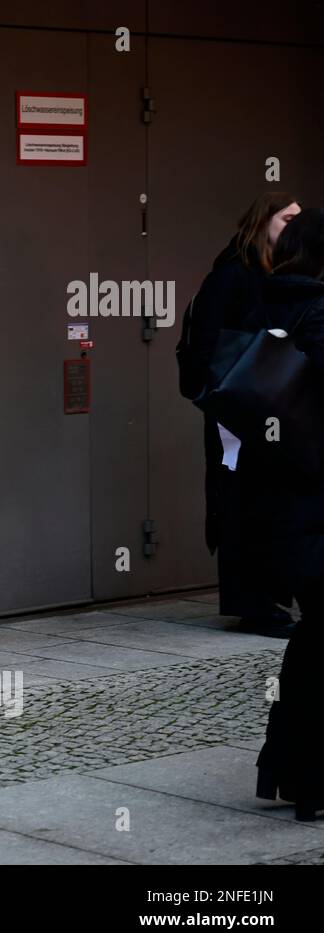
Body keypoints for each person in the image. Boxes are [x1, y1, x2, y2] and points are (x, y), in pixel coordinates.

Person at [177, 192, 300, 635]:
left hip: (269, 409)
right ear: (262, 221)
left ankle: (269, 598)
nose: (294, 228)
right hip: (240, 411)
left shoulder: (275, 275)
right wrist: (221, 397)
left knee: (270, 499)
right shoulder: (231, 276)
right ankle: (255, 604)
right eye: (287, 218)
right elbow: (205, 349)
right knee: (244, 499)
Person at [251, 208, 324, 819]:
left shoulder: (257, 304)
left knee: (311, 635)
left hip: (279, 498)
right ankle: (307, 776)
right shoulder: (317, 310)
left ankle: (291, 768)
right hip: (317, 495)